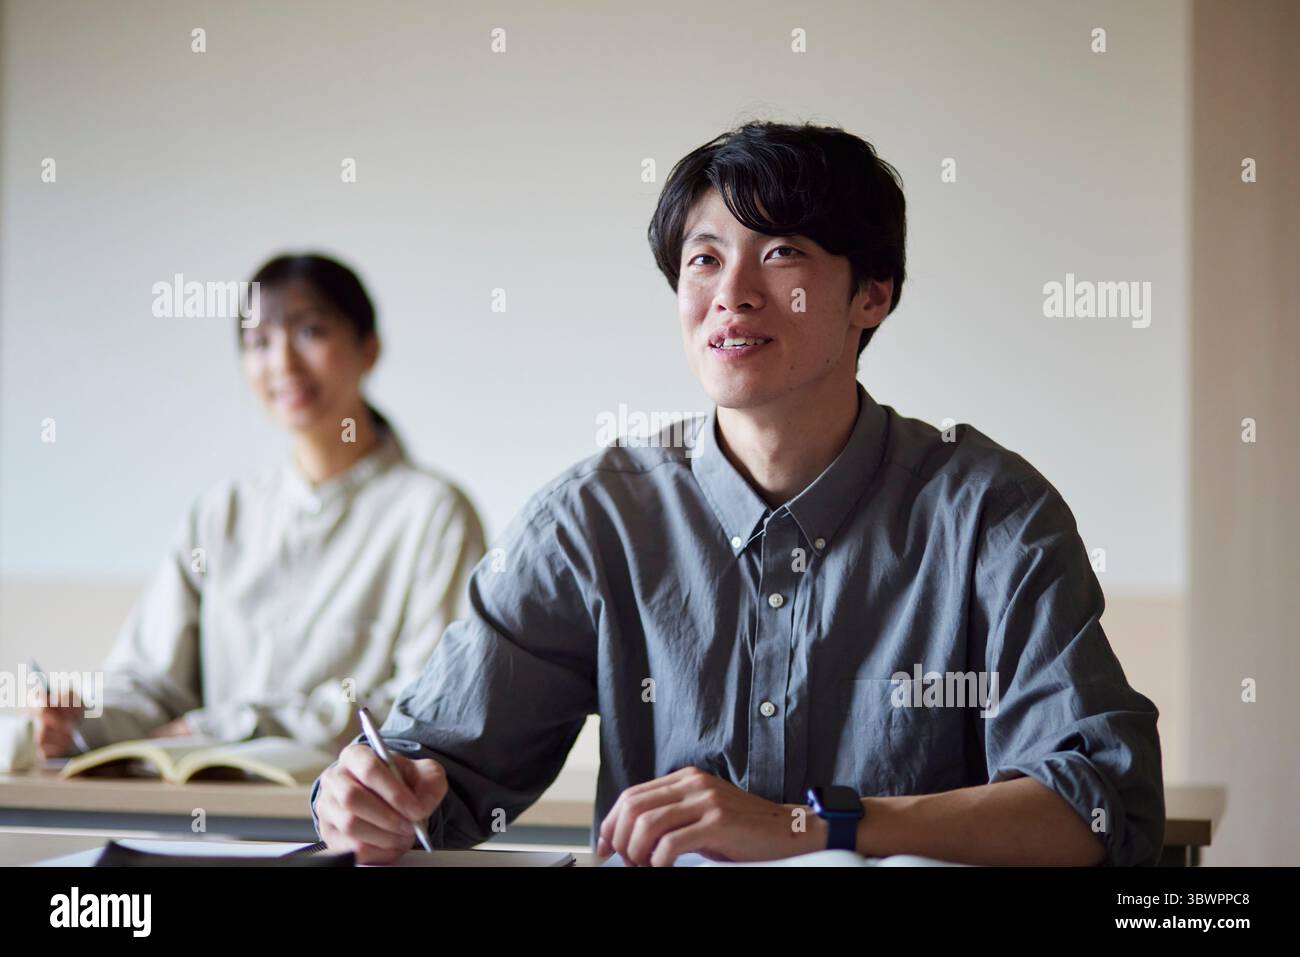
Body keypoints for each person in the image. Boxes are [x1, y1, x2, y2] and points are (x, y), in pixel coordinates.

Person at [311, 123, 1165, 866]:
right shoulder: (596, 516)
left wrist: (811, 826)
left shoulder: (990, 511)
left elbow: (1098, 802)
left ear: (873, 293)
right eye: (705, 259)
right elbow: (440, 766)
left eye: (781, 252)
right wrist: (369, 792)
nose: (732, 292)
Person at [34, 253, 485, 757]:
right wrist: (83, 721)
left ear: (369, 349)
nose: (283, 363)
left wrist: (230, 726)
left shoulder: (434, 514)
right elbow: (153, 684)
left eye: (311, 332)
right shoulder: (219, 515)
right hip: (199, 815)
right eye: (259, 342)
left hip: (354, 823)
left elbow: (426, 701)